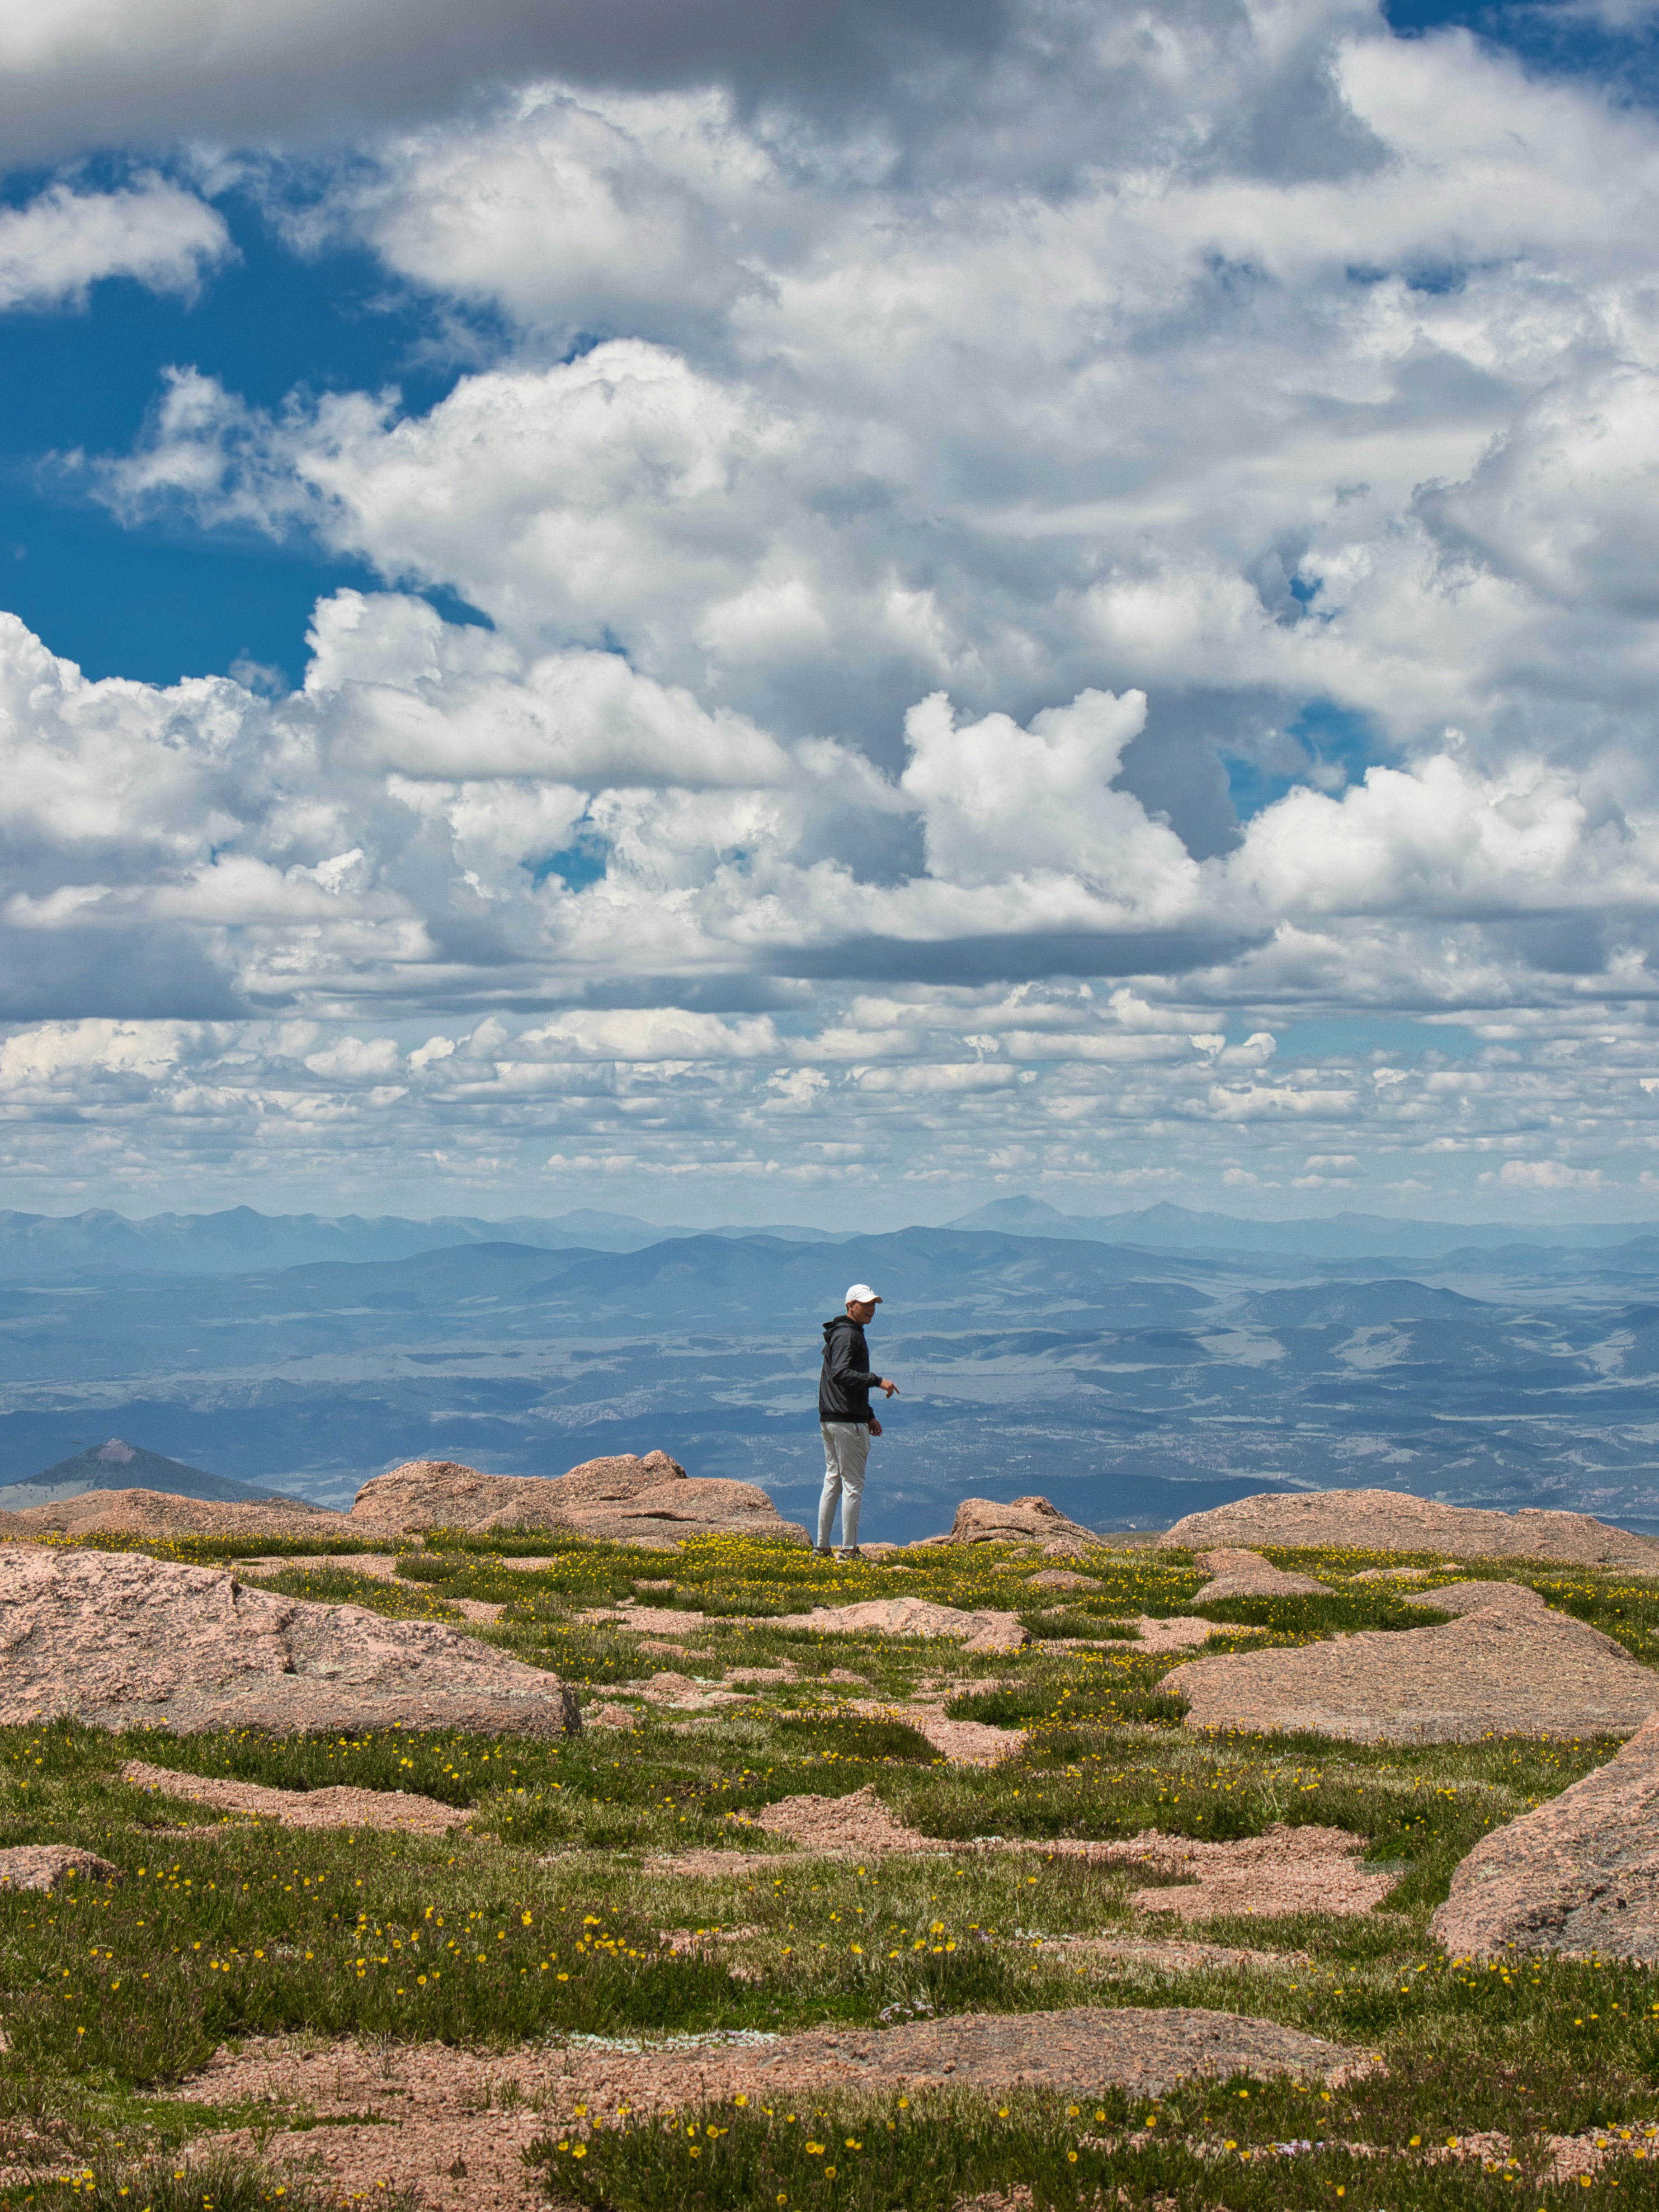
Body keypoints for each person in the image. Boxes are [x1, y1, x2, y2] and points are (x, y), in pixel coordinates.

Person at [816, 1281, 899, 1558]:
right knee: (852, 1485)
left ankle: (823, 1548)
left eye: (874, 1304)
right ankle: (849, 1551)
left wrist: (869, 1415)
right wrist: (877, 1381)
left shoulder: (840, 1333)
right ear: (850, 1306)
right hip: (846, 1422)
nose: (871, 1309)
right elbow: (841, 1373)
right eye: (865, 1304)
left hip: (832, 1418)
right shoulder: (849, 1336)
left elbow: (841, 1378)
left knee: (834, 1481)